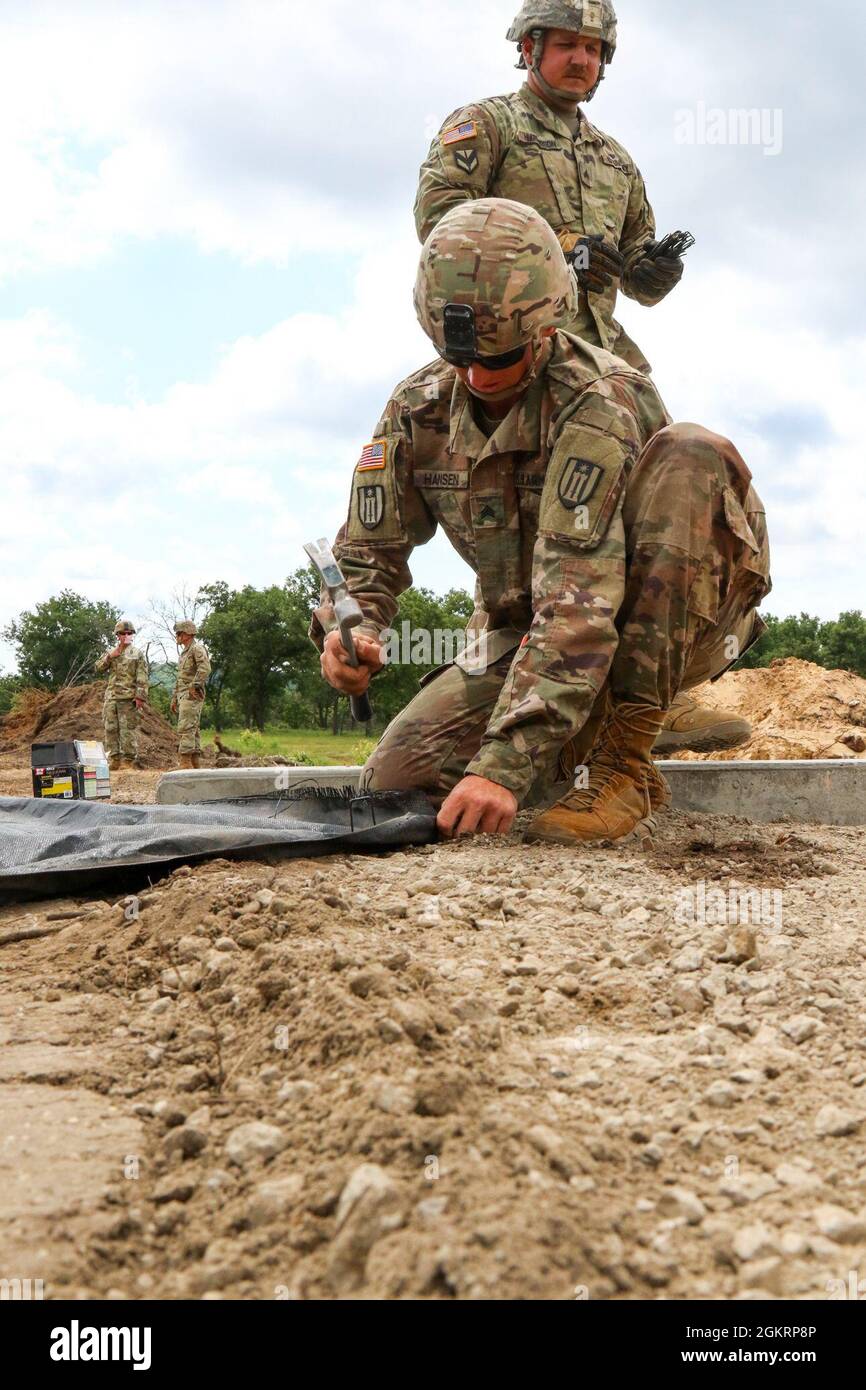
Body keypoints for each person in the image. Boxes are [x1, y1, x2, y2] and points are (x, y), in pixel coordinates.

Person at [310, 199, 771, 844]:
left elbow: (578, 599)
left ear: (546, 326)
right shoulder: (416, 409)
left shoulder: (598, 400)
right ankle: (590, 719)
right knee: (395, 781)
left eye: (498, 362)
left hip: (664, 627)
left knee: (690, 453)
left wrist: (501, 768)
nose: (475, 377)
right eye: (457, 359)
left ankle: (629, 753)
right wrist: (350, 629)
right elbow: (368, 554)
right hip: (530, 631)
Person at [414, 0, 685, 378]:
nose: (581, 60)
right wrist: (559, 251)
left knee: (675, 436)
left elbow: (631, 268)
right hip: (507, 354)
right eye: (566, 45)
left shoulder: (616, 160)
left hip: (601, 358)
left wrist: (650, 271)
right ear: (529, 48)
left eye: (593, 49)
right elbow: (440, 224)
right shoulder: (488, 125)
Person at [94, 620, 148, 771]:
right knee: (110, 728)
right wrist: (109, 657)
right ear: (117, 635)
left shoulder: (137, 654)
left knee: (127, 730)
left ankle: (128, 761)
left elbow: (142, 677)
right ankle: (114, 759)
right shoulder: (112, 652)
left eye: (129, 633)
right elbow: (97, 668)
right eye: (122, 633)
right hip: (111, 697)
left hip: (128, 698)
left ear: (132, 635)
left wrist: (140, 696)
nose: (126, 636)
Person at [171, 621, 211, 769]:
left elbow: (205, 668)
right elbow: (180, 677)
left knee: (186, 727)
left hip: (191, 695)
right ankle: (194, 763)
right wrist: (174, 698)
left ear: (187, 634)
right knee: (192, 728)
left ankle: (185, 763)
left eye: (179, 633)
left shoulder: (196, 649)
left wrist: (195, 685)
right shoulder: (185, 652)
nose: (177, 636)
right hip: (183, 695)